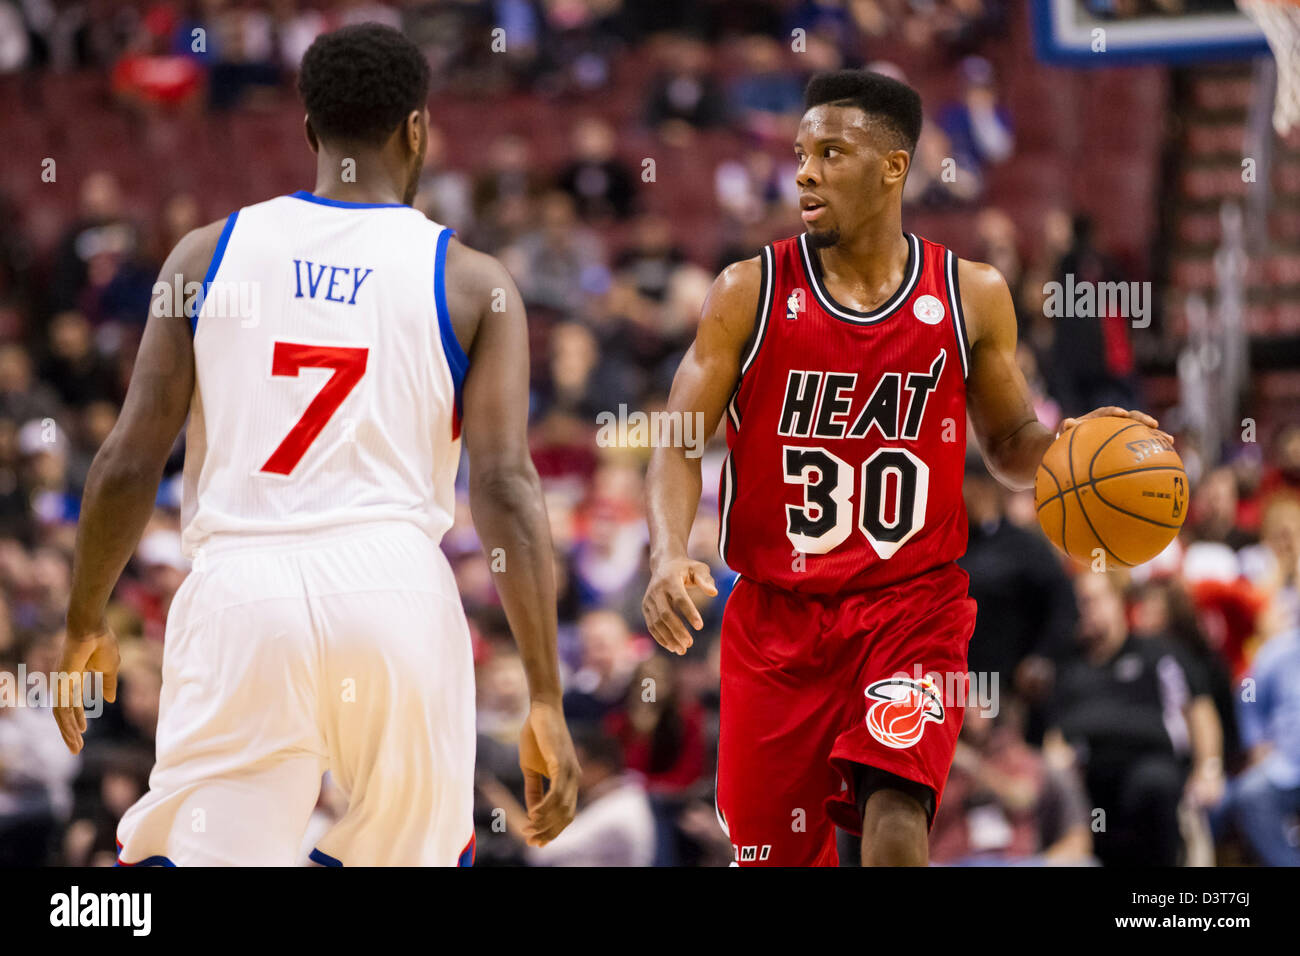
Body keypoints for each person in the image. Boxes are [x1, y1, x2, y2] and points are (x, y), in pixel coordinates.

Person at [53, 23, 578, 866]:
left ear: (307, 132)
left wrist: (83, 621)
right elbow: (508, 487)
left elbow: (126, 459)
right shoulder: (473, 281)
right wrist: (545, 696)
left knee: (194, 851)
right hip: (392, 588)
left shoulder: (203, 254)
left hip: (239, 591)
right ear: (418, 129)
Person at [642, 69, 1164, 867]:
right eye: (800, 152)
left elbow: (1011, 440)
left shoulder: (970, 294)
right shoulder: (747, 291)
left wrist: (1073, 452)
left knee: (895, 819)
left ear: (893, 167)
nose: (805, 171)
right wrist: (668, 550)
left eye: (831, 152)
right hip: (777, 621)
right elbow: (679, 437)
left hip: (910, 609)